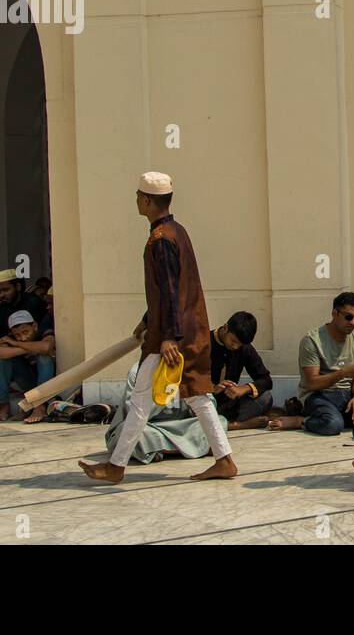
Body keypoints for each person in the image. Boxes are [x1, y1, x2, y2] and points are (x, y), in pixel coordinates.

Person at [79, 171, 236, 483]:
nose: (136, 201)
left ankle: (116, 466)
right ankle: (225, 460)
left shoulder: (161, 239)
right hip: (189, 330)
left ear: (148, 200)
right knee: (198, 397)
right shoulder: (176, 231)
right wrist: (148, 319)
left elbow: (169, 292)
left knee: (140, 400)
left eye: (139, 196)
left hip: (173, 336)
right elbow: (170, 289)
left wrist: (167, 337)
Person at [275, 293, 354, 435]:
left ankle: (340, 418)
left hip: (347, 394)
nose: (352, 322)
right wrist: (343, 373)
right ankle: (301, 420)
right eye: (348, 317)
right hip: (319, 395)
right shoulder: (312, 340)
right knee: (333, 425)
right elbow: (312, 383)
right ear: (334, 313)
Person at [208, 311, 275, 430]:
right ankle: (235, 425)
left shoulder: (244, 348)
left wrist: (243, 389)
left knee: (265, 398)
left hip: (227, 406)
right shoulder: (204, 343)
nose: (235, 347)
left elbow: (266, 380)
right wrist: (212, 388)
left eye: (239, 344)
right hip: (204, 402)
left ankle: (220, 424)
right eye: (233, 341)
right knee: (181, 409)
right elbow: (189, 379)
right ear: (225, 327)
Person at [0, 310, 57, 422]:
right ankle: (3, 404)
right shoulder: (10, 338)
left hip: (48, 384)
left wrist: (17, 344)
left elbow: (46, 347)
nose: (22, 337)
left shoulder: (44, 332)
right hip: (28, 381)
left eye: (25, 332)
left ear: (35, 326)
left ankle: (40, 405)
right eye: (17, 335)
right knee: (2, 360)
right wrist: (29, 348)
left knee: (44, 357)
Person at [0, 268, 47, 353]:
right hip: (15, 355)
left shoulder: (34, 303)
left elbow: (45, 336)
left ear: (18, 286)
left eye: (6, 290)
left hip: (39, 352)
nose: (2, 295)